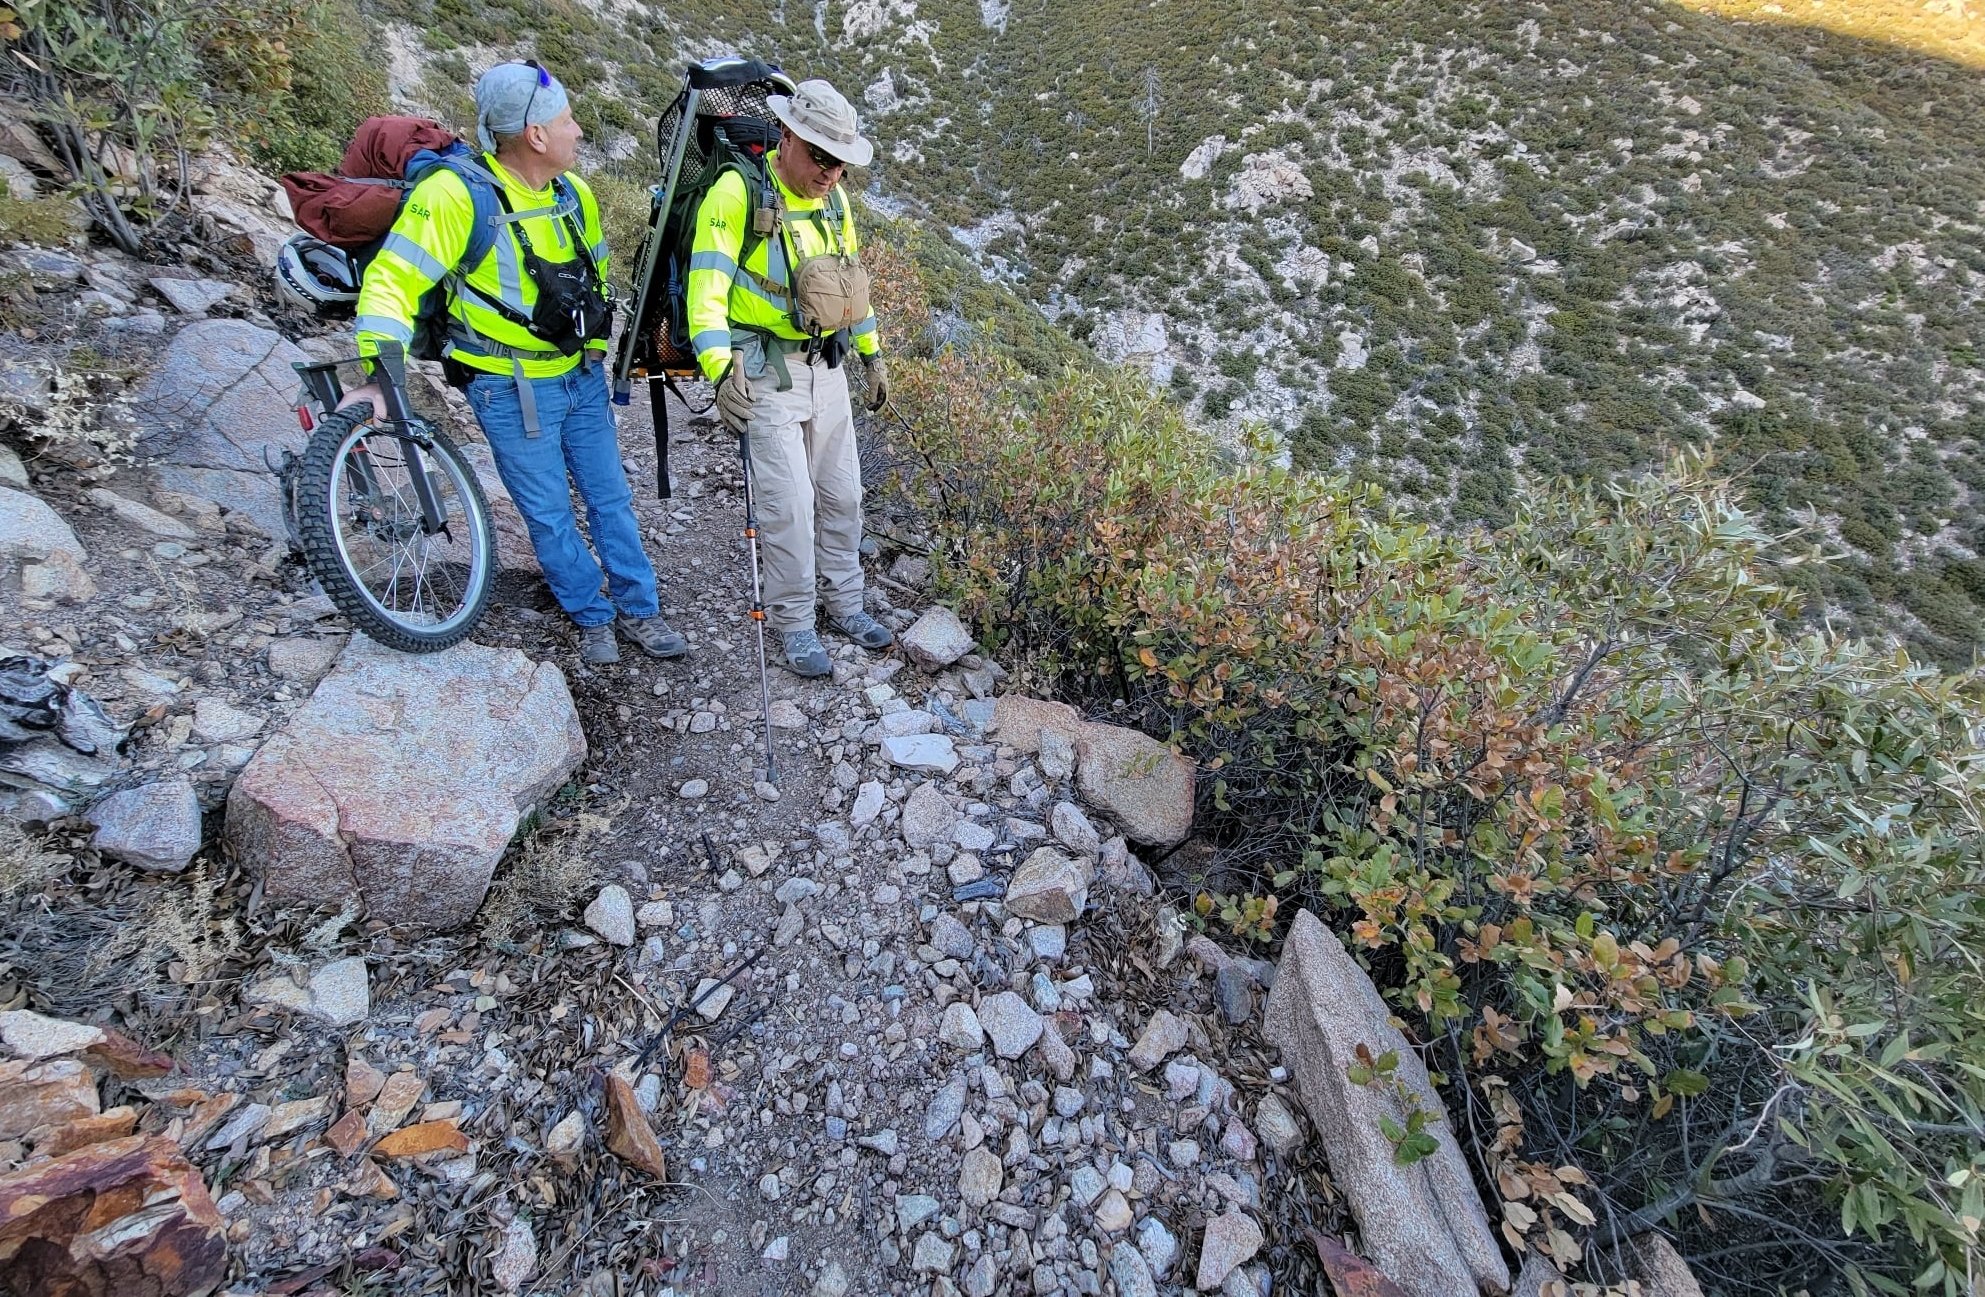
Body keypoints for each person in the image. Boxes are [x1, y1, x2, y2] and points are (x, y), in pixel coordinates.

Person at [345, 61, 687, 666]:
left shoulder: (573, 195)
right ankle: (590, 614)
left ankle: (641, 610)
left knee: (611, 500)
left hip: (578, 378)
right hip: (509, 387)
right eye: (567, 121)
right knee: (549, 512)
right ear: (534, 135)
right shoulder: (454, 197)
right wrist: (381, 377)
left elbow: (595, 277)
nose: (578, 131)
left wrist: (597, 348)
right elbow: (391, 282)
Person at [686, 78, 892, 678]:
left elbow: (851, 289)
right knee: (789, 505)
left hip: (825, 362)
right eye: (822, 157)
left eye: (842, 163)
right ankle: (796, 622)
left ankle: (846, 603)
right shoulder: (736, 194)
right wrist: (721, 372)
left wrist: (872, 354)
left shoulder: (835, 203)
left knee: (843, 492)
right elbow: (707, 291)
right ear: (789, 135)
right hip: (762, 368)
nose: (831, 173)